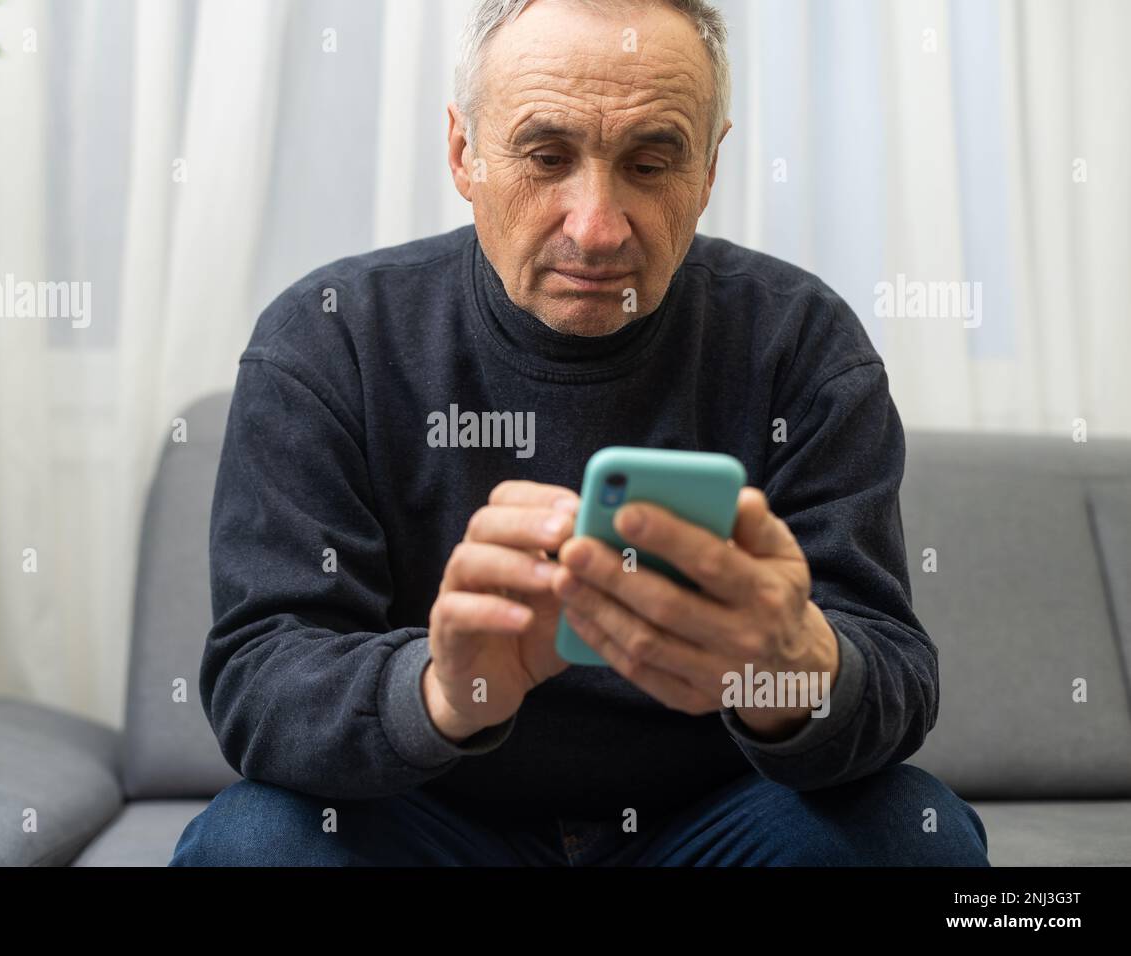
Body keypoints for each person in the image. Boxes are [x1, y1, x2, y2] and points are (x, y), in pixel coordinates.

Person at [171, 0, 989, 866]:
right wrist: (443, 690)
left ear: (708, 172)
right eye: (547, 155)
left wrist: (791, 671)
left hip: (717, 827)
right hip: (430, 823)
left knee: (909, 835)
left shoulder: (802, 344)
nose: (596, 228)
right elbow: (261, 679)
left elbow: (895, 669)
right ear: (464, 153)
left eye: (649, 162)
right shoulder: (328, 340)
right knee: (254, 844)